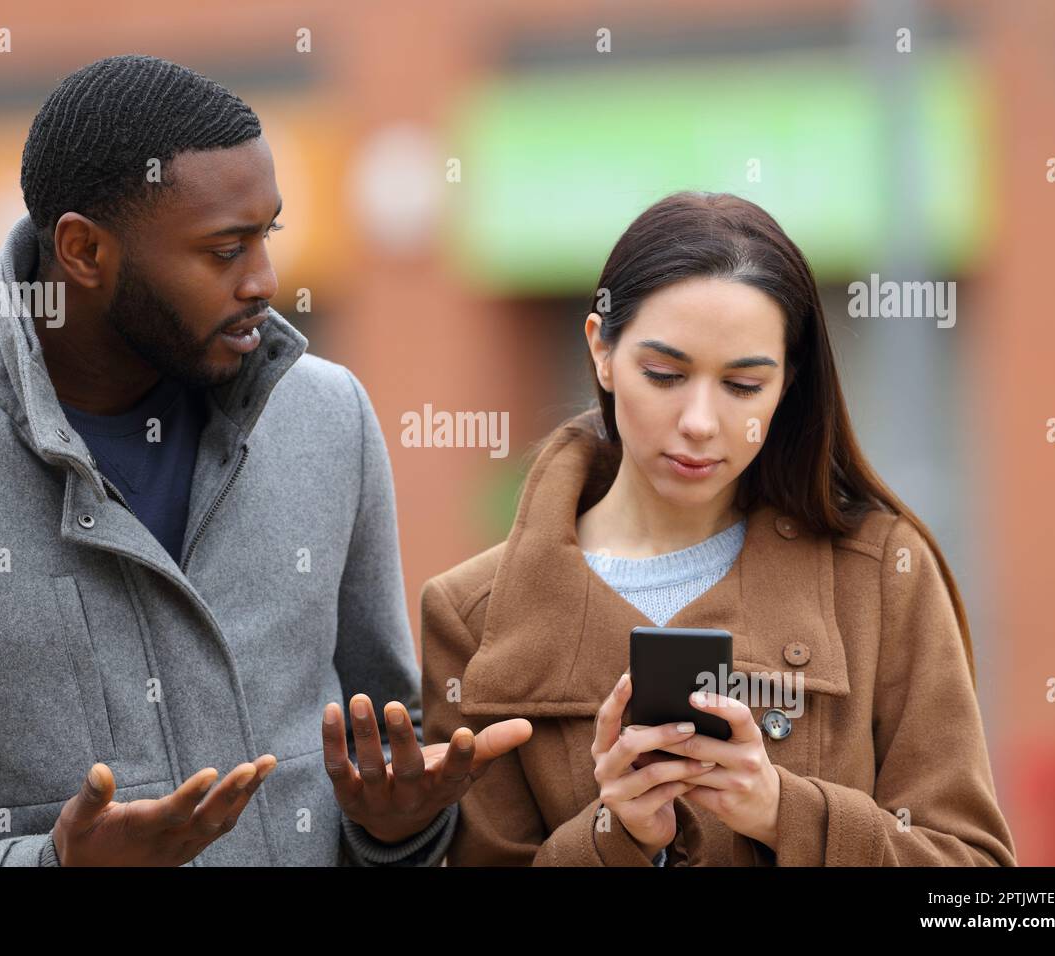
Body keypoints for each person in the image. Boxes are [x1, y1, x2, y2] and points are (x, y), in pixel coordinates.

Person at [0, 54, 529, 867]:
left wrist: (398, 826)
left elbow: (389, 754)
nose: (265, 280)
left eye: (268, 236)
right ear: (83, 251)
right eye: (224, 250)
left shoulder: (329, 419)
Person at [419, 191, 1018, 866]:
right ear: (601, 350)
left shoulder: (882, 574)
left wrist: (783, 812)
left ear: (788, 383)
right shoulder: (473, 614)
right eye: (665, 374)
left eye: (742, 386)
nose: (701, 422)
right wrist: (615, 839)